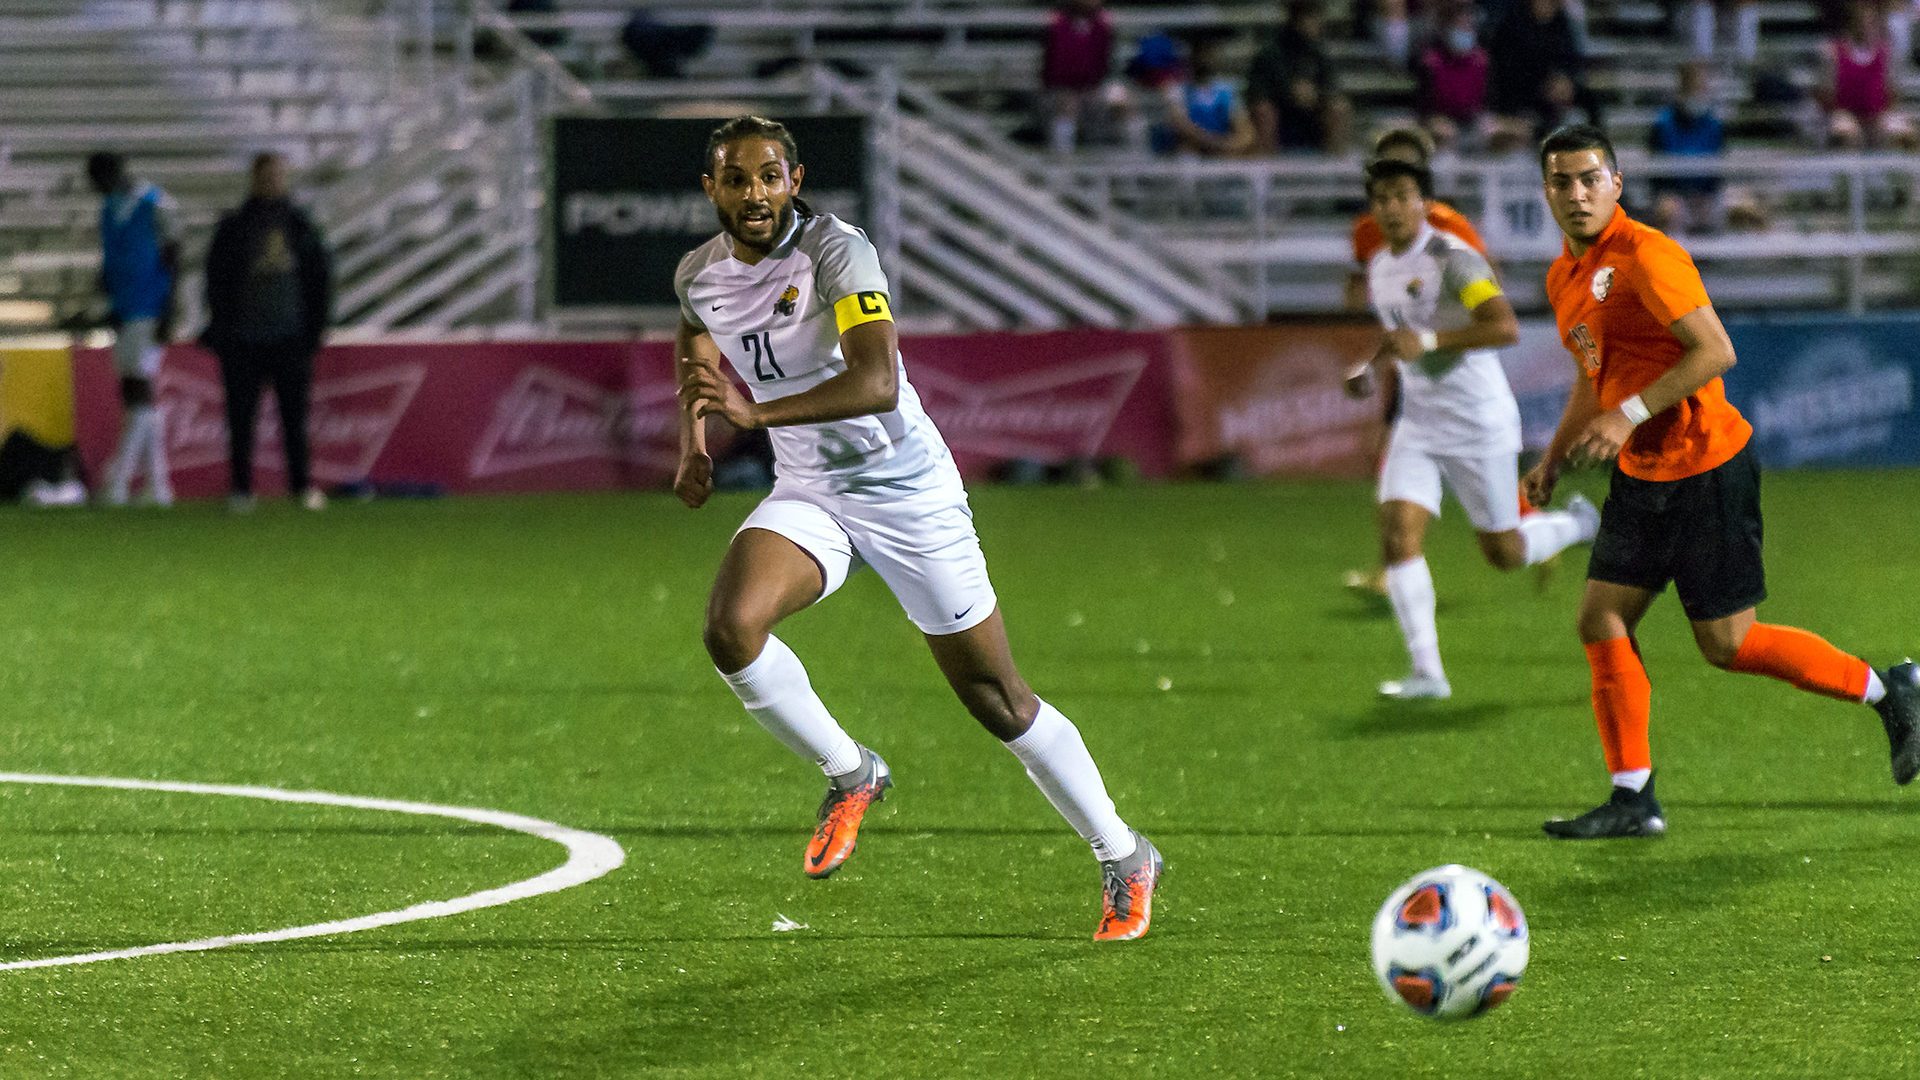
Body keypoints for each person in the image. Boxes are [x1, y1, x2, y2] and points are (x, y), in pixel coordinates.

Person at [671, 117, 1162, 940]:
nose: (753, 194)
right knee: (731, 627)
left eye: (768, 176)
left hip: (909, 493)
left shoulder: (837, 252)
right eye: (735, 178)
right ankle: (851, 771)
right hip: (813, 491)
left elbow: (876, 378)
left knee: (997, 700)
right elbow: (695, 347)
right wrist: (692, 444)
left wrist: (752, 414)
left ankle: (1123, 853)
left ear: (795, 180)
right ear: (710, 188)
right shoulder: (697, 275)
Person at [1526, 124, 1920, 838]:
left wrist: (1628, 414)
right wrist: (1553, 458)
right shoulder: (1564, 279)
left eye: (1590, 178)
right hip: (1643, 475)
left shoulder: (1648, 254)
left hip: (1706, 465)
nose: (1577, 193)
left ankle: (1890, 688)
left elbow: (1716, 352)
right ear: (1546, 192)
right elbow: (1593, 379)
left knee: (1729, 644)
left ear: (1616, 184)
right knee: (1601, 617)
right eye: (1561, 181)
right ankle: (1633, 798)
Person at [1347, 157, 1598, 700]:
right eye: (1381, 198)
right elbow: (1404, 337)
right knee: (1397, 535)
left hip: (1477, 422)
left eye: (1402, 195)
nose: (1391, 207)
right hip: (1419, 421)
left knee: (1503, 552)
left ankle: (1577, 525)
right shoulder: (1379, 265)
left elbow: (1505, 326)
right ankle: (1427, 674)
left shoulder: (1452, 258)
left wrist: (1432, 344)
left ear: (1424, 203)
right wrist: (1369, 370)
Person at [201, 152, 333, 512]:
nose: (273, 182)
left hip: (290, 336)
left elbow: (320, 279)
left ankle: (301, 487)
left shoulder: (301, 226)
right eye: (267, 176)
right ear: (255, 179)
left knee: (295, 418)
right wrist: (221, 326)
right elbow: (216, 279)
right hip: (243, 338)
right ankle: (242, 489)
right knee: (241, 418)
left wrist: (315, 329)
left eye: (278, 175)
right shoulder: (234, 227)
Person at [87, 151, 177, 508]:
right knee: (135, 392)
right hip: (124, 310)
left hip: (150, 306)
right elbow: (111, 258)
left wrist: (170, 307)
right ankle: (158, 485)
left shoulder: (154, 202)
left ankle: (118, 479)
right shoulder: (108, 209)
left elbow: (174, 254)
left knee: (139, 389)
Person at [1486, 0, 1599, 150]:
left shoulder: (1561, 22)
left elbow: (1572, 59)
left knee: (1590, 100)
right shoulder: (1512, 23)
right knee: (1535, 123)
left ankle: (1595, 151)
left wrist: (1565, 79)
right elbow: (1506, 71)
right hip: (1521, 93)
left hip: (1554, 90)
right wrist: (1541, 86)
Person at [1246, 0, 1352, 155]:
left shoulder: (1319, 54)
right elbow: (1256, 92)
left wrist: (1315, 96)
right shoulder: (1270, 53)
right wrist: (1289, 92)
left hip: (1312, 115)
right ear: (1297, 20)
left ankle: (1334, 164)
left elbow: (1332, 87)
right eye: (1310, 18)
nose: (1316, 23)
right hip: (1281, 116)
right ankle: (1269, 164)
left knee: (1340, 108)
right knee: (1264, 110)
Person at [1820, 0, 1919, 151]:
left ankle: (1904, 171)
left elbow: (1894, 93)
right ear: (1851, 21)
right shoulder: (1832, 51)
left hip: (1878, 116)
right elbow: (1827, 95)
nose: (1866, 23)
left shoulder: (1889, 52)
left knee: (1904, 133)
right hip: (1846, 114)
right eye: (1861, 18)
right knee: (1844, 130)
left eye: (1871, 19)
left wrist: (1878, 116)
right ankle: (1845, 170)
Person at [1415, 1, 1497, 153]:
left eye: (1469, 26)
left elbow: (1486, 101)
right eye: (1460, 26)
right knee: (1445, 133)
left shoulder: (1482, 60)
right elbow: (1423, 105)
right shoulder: (1431, 61)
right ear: (1446, 28)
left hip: (1472, 119)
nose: (1466, 30)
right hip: (1437, 118)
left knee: (1496, 132)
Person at [1040, 0, 1119, 154]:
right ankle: (1062, 160)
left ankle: (1134, 162)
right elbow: (1055, 64)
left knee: (1124, 99)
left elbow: (1104, 62)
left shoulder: (1103, 22)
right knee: (1067, 103)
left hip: (1094, 87)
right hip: (1062, 88)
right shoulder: (1057, 21)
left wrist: (1093, 85)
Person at [1161, 30, 1256, 156]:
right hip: (1193, 152)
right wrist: (1215, 143)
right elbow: (1183, 128)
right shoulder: (1176, 89)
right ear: (1191, 54)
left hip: (1222, 152)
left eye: (1209, 51)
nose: (1204, 57)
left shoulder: (1227, 90)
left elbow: (1246, 131)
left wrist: (1231, 145)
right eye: (1200, 51)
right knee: (1186, 150)